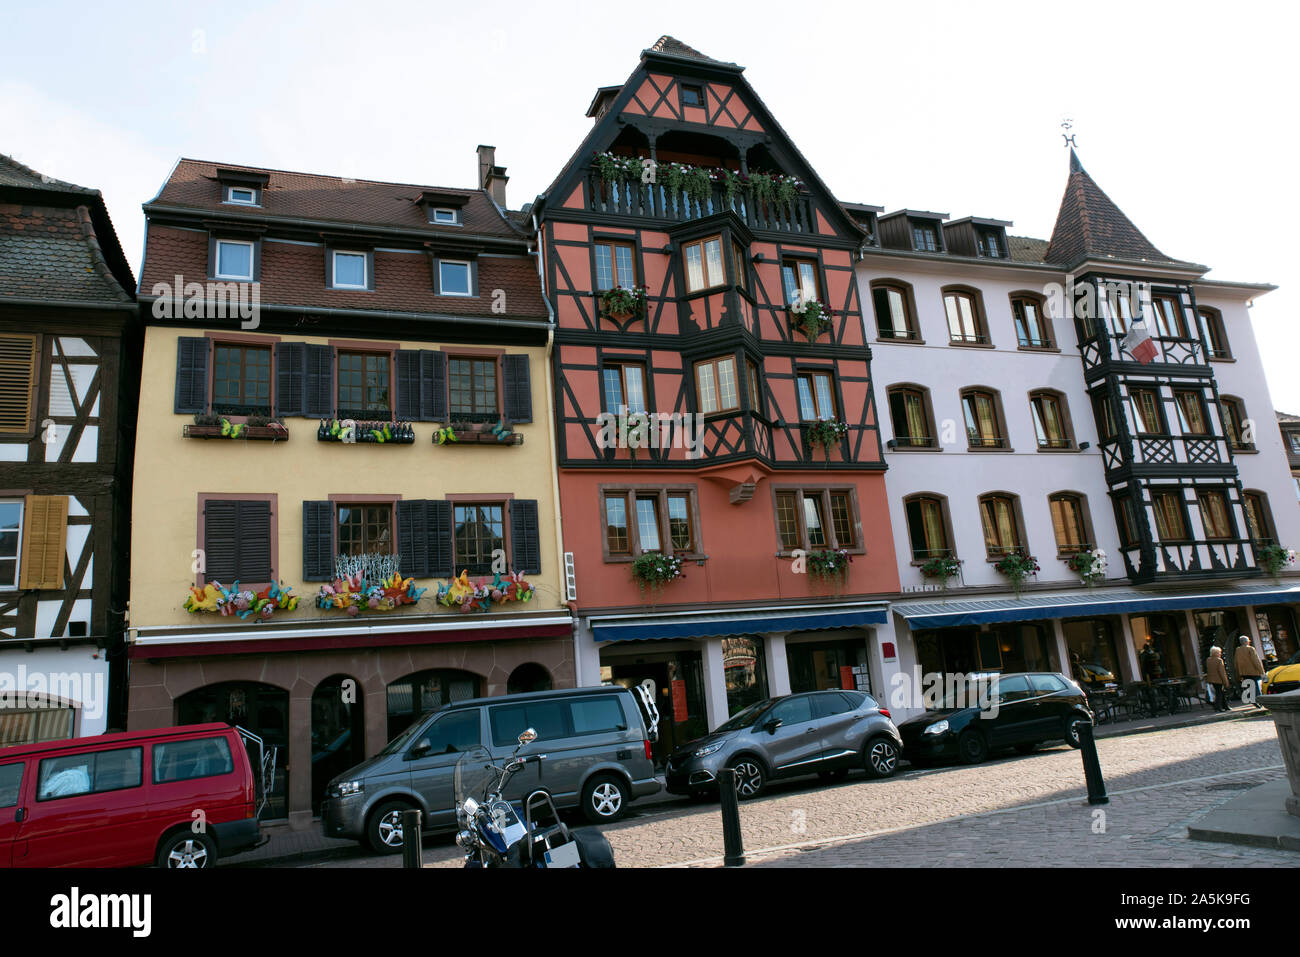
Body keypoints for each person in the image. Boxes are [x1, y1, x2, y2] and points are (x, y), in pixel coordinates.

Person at [1233, 635, 1265, 707]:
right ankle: (1258, 700)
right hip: (1253, 670)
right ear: (1246, 642)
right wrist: (1261, 670)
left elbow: (1235, 662)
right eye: (1249, 641)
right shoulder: (1250, 649)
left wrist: (1238, 672)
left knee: (1249, 685)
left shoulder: (1238, 650)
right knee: (1256, 685)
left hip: (1243, 671)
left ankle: (1252, 699)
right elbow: (1256, 661)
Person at [1206, 646, 1230, 713]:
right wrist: (1226, 681)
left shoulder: (1208, 660)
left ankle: (1225, 706)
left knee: (1220, 693)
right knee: (1219, 693)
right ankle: (1218, 707)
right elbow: (1222, 672)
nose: (1220, 653)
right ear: (1216, 653)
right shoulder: (1219, 660)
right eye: (1219, 652)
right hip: (1219, 679)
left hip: (1212, 679)